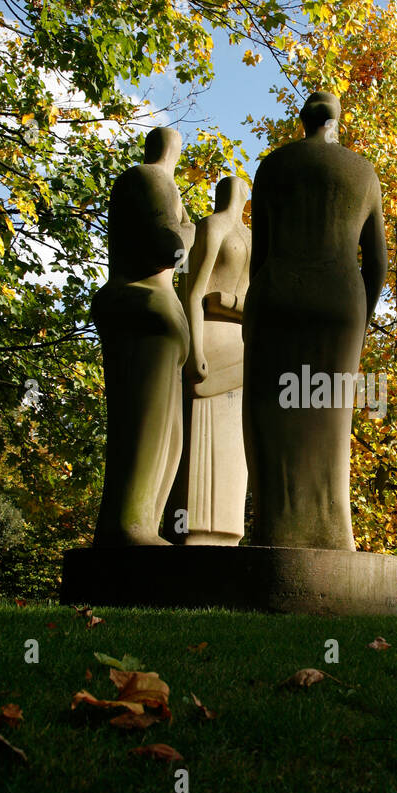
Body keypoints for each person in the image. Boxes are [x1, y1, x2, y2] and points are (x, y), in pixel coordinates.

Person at [242, 92, 387, 550]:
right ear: (336, 122)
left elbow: (260, 255)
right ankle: (332, 532)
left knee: (270, 410)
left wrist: (254, 312)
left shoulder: (272, 167)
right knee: (331, 415)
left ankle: (274, 527)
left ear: (303, 120)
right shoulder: (362, 172)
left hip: (278, 295)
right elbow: (377, 264)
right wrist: (362, 317)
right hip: (340, 302)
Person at [91, 126, 193, 547]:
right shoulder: (152, 178)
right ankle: (128, 526)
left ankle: (141, 525)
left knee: (168, 439)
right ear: (174, 150)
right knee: (144, 433)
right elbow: (166, 248)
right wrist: (188, 231)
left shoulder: (150, 181)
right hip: (145, 310)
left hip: (152, 315)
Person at [164, 175, 251, 544]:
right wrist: (195, 349)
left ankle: (228, 530)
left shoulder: (251, 237)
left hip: (241, 346)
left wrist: (233, 303)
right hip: (210, 338)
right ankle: (193, 530)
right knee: (200, 442)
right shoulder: (211, 226)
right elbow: (193, 291)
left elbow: (255, 302)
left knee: (234, 449)